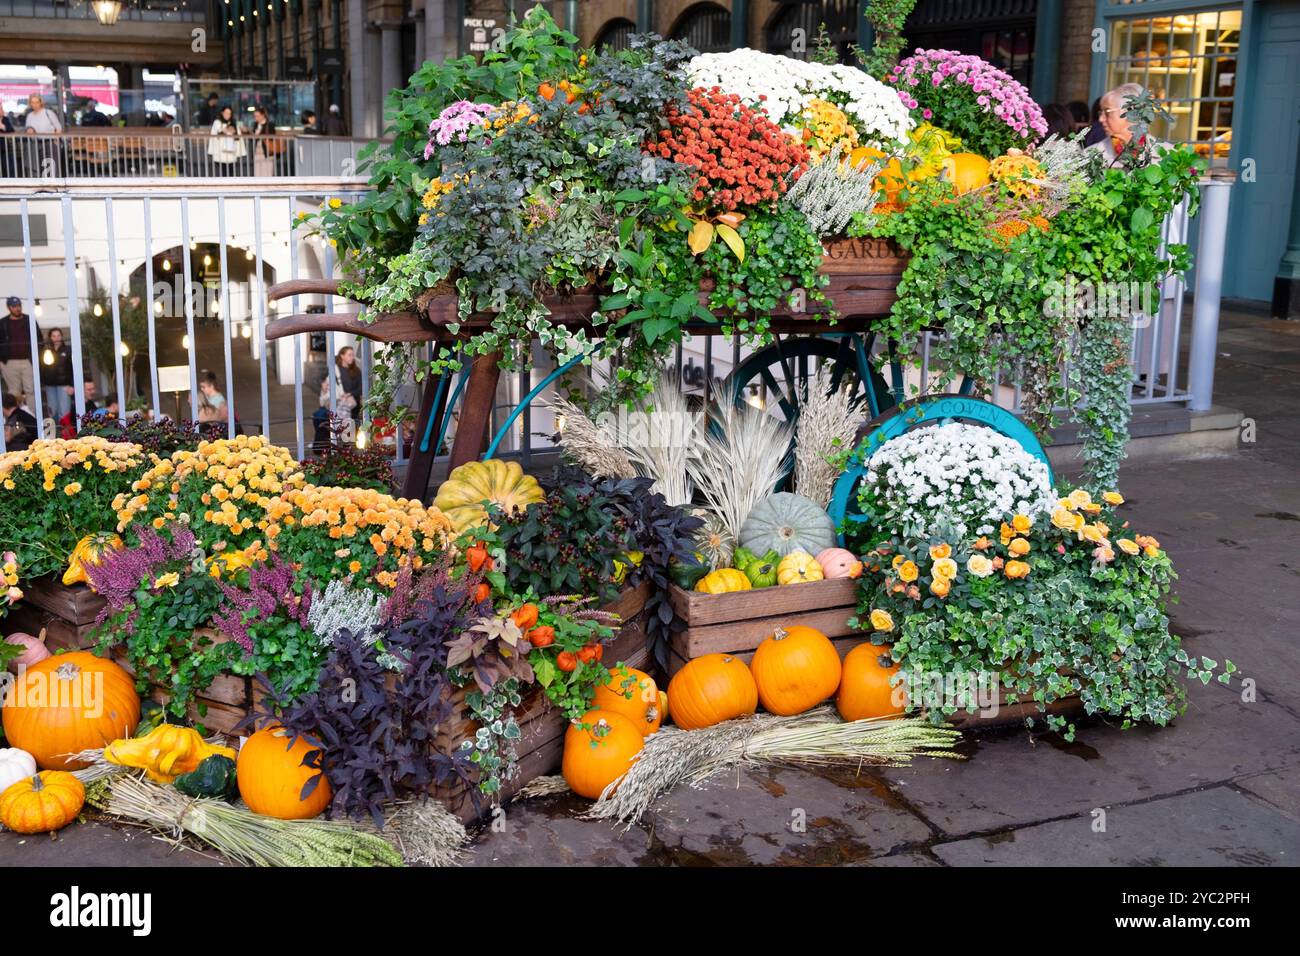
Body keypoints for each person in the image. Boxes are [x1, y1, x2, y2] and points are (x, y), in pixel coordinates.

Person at [0, 296, 33, 408]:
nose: (17, 308)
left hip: (27, 361)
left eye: (19, 305)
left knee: (31, 390)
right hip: (9, 362)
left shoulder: (30, 320)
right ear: (8, 307)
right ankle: (16, 420)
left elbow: (39, 339)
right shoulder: (2, 323)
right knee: (14, 392)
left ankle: (33, 418)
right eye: (14, 306)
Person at [40, 327, 74, 422]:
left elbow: (72, 369)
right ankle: (54, 435)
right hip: (50, 385)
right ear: (50, 337)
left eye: (59, 335)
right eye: (54, 336)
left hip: (64, 385)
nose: (57, 338)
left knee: (64, 412)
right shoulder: (46, 351)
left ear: (62, 336)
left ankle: (65, 436)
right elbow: (42, 367)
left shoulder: (68, 350)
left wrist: (72, 385)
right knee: (52, 411)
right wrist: (44, 380)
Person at [207, 105, 246, 176]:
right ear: (222, 113)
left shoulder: (234, 123)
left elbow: (237, 136)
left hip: (231, 152)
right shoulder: (217, 122)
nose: (228, 115)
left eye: (229, 113)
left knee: (231, 171)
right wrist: (227, 130)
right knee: (223, 172)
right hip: (221, 152)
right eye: (226, 113)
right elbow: (218, 131)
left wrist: (232, 130)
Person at [250, 107, 279, 177]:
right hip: (257, 151)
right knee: (257, 171)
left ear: (263, 115)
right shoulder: (255, 125)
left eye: (258, 116)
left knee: (267, 171)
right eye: (255, 116)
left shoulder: (270, 124)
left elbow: (271, 137)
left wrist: (259, 134)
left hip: (267, 151)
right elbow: (252, 138)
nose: (256, 118)